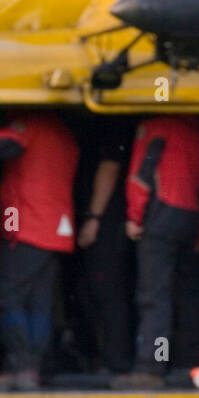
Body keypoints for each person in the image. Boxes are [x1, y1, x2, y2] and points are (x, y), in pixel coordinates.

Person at [0, 111, 79, 391]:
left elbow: (6, 144)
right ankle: (33, 368)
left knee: (9, 296)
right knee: (39, 302)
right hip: (56, 230)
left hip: (29, 228)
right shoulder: (63, 134)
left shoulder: (30, 126)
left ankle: (19, 367)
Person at [116, 114, 199, 391]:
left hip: (160, 216)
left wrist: (134, 216)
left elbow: (141, 173)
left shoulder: (155, 127)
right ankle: (188, 363)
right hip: (191, 220)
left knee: (154, 295)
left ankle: (152, 366)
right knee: (186, 295)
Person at [72, 115, 136, 377]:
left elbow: (110, 166)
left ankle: (116, 362)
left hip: (107, 225)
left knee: (107, 293)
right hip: (103, 222)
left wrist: (94, 219)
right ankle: (105, 358)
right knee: (97, 293)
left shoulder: (112, 122)